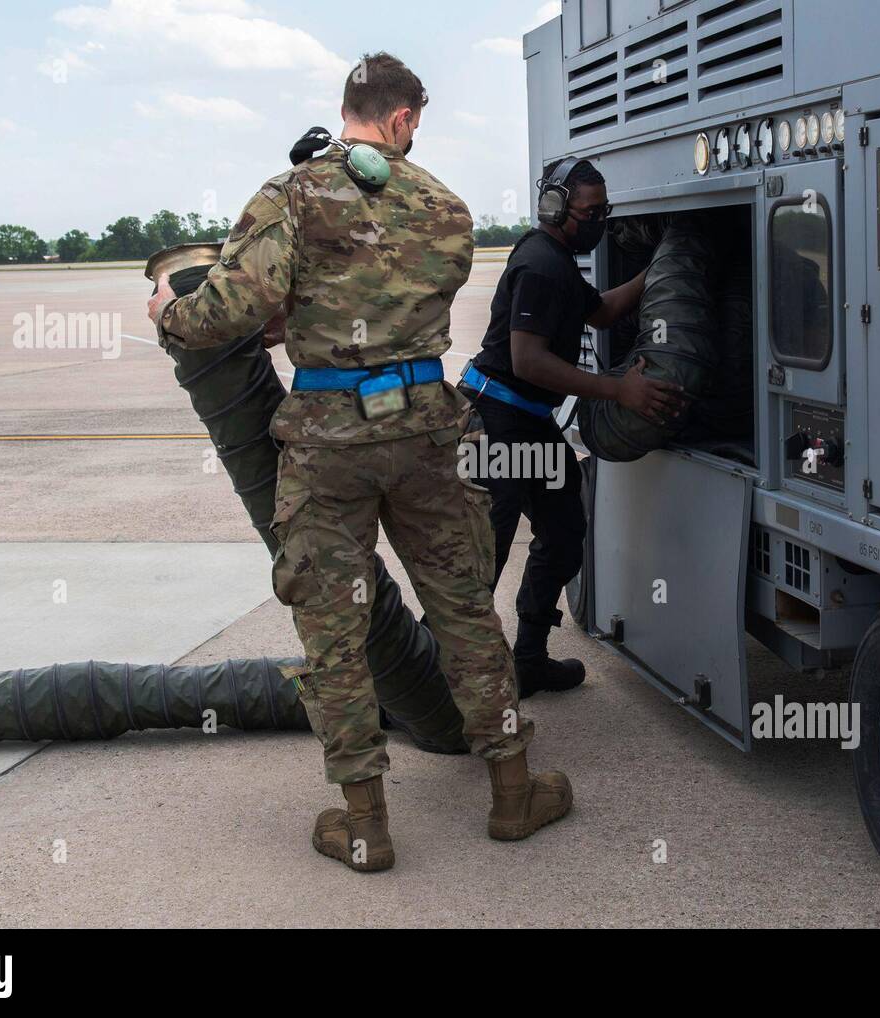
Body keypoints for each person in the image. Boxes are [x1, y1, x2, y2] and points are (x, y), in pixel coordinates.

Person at [147, 53, 571, 873]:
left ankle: (367, 825)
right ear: (405, 117)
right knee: (464, 614)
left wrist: (173, 315)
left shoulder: (290, 195)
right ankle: (514, 795)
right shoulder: (445, 209)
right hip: (422, 436)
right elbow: (401, 300)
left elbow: (228, 310)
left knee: (334, 633)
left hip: (328, 443)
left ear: (347, 109)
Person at [462, 157, 687, 697]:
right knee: (480, 560)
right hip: (498, 421)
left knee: (564, 533)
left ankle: (529, 659)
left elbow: (602, 313)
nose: (600, 221)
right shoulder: (541, 265)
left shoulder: (561, 260)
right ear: (556, 208)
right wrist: (618, 389)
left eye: (604, 210)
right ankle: (433, 686)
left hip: (530, 421)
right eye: (591, 211)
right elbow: (528, 361)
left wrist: (658, 267)